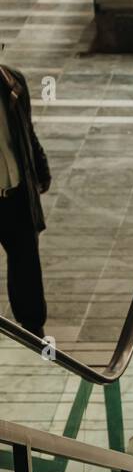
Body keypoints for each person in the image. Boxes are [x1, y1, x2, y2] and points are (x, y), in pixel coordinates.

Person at [0, 63, 51, 336]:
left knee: (26, 264)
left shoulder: (12, 81)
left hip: (16, 193)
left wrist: (40, 167)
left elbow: (26, 131)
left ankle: (33, 332)